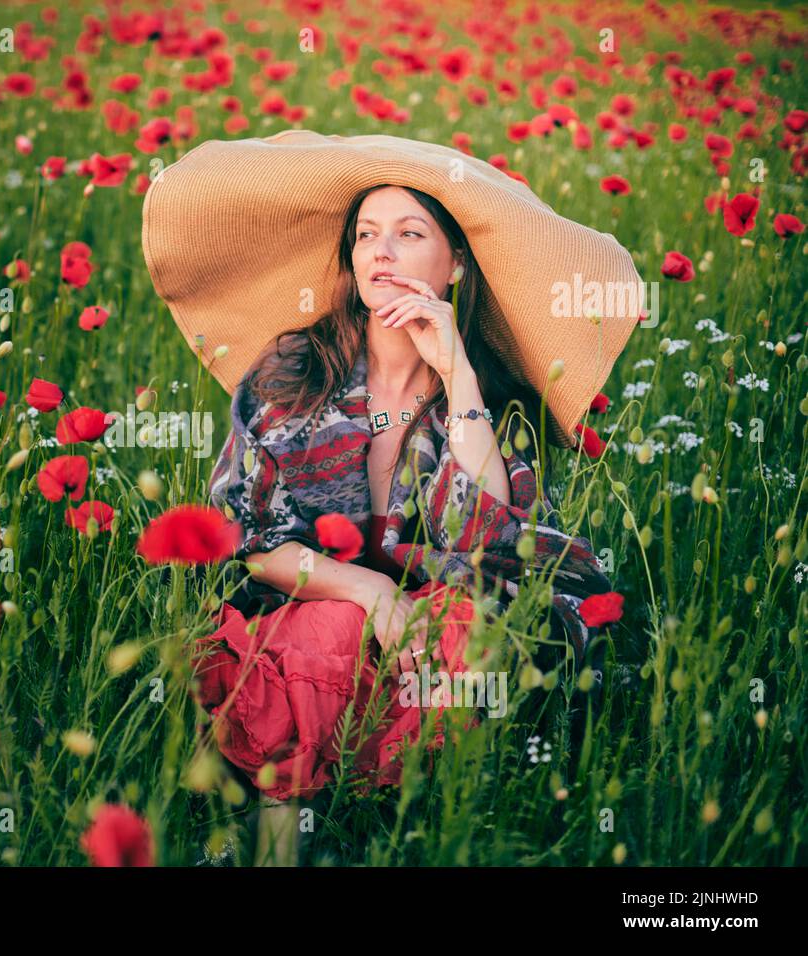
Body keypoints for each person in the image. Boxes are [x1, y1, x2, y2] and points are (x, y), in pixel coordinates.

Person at [142, 131, 637, 865]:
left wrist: (458, 374)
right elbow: (251, 539)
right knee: (335, 630)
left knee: (472, 630)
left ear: (457, 262)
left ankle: (438, 823)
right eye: (367, 235)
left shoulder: (496, 395)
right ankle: (282, 835)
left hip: (439, 622)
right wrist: (370, 590)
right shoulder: (294, 371)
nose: (382, 252)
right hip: (310, 609)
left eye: (410, 235)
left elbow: (489, 539)